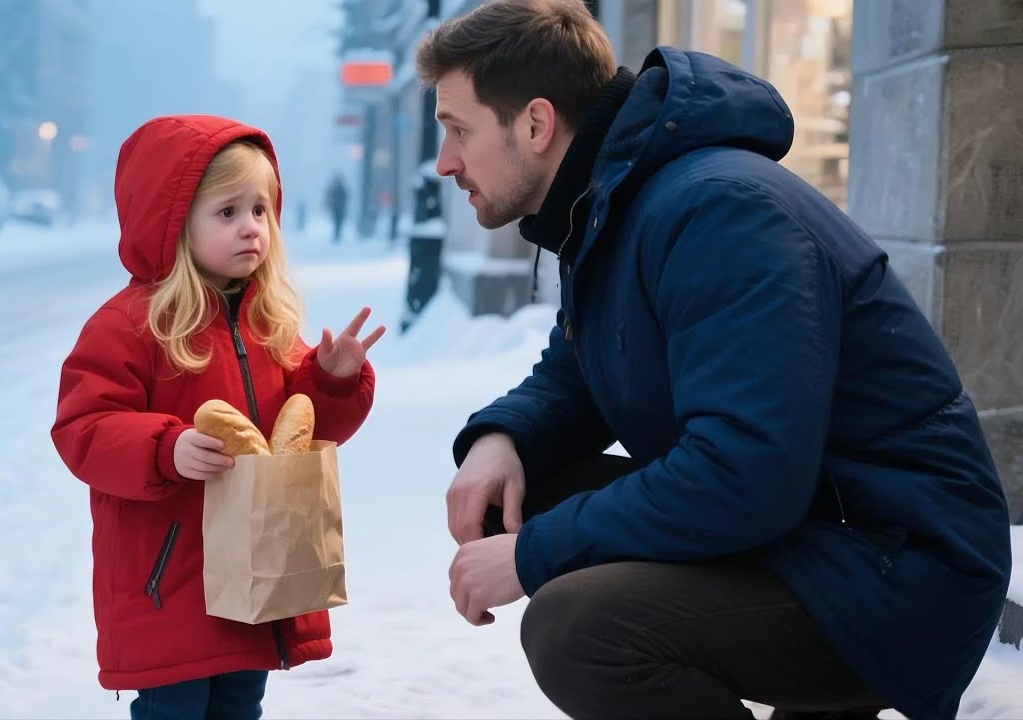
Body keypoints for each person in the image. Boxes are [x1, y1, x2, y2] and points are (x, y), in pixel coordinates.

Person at [421, 2, 1013, 719]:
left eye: (459, 130)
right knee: (522, 493)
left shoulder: (719, 212)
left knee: (579, 630)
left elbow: (746, 470)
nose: (445, 162)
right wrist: (504, 438)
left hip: (899, 565)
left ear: (536, 125)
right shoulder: (613, 204)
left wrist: (533, 554)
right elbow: (580, 369)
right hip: (812, 528)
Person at [51, 115, 384, 720]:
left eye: (260, 209)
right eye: (227, 212)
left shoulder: (267, 321)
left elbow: (303, 431)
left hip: (255, 573)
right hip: (169, 582)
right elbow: (84, 428)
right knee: (175, 710)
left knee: (238, 707)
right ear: (173, 223)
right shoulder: (129, 325)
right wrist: (164, 449)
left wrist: (331, 381)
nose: (251, 227)